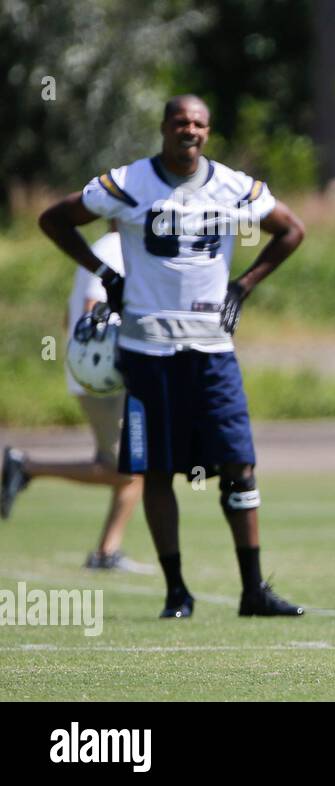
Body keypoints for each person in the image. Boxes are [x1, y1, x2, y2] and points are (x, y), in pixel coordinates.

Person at [36, 94, 307, 616]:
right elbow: (55, 219)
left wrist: (244, 286)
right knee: (156, 471)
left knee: (239, 464)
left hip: (212, 350)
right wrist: (106, 273)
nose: (191, 130)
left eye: (200, 123)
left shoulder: (233, 186)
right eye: (181, 121)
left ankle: (253, 590)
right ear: (164, 127)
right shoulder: (130, 181)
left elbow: (292, 230)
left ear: (209, 131)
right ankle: (176, 591)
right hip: (147, 351)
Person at [2, 223, 149, 572]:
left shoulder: (111, 247)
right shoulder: (114, 248)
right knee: (127, 470)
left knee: (139, 462)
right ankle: (27, 466)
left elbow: (68, 318)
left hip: (102, 374)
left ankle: (107, 552)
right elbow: (92, 311)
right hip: (106, 377)